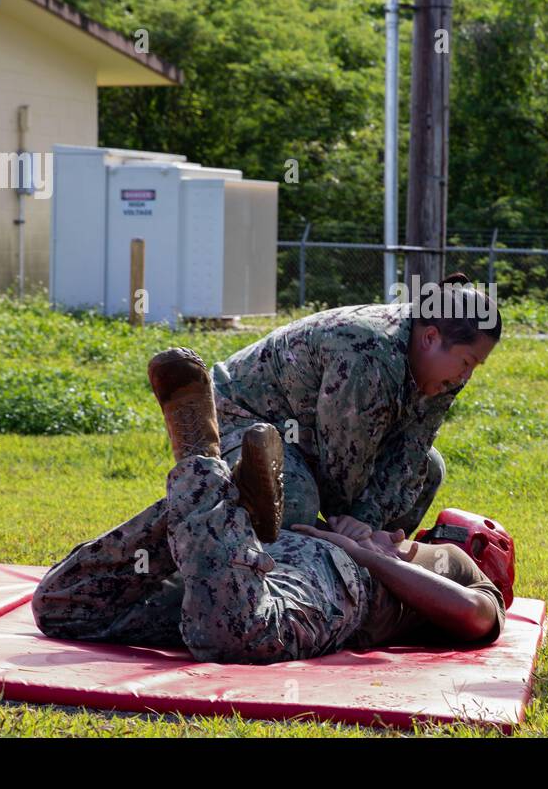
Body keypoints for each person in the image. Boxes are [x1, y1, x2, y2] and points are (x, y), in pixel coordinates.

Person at [30, 345, 507, 664]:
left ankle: (219, 488)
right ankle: (214, 481)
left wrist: (368, 552)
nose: (412, 536)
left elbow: (471, 614)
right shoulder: (414, 556)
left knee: (61, 607)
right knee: (233, 632)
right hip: (302, 566)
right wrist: (359, 543)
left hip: (307, 573)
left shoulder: (464, 571)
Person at [211, 272, 501, 543]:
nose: (466, 377)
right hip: (244, 419)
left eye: (475, 366)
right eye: (466, 362)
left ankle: (361, 570)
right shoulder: (370, 355)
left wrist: (367, 523)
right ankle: (267, 569)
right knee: (295, 500)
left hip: (305, 433)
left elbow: (413, 449)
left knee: (429, 470)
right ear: (430, 338)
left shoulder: (443, 372)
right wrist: (354, 525)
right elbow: (343, 467)